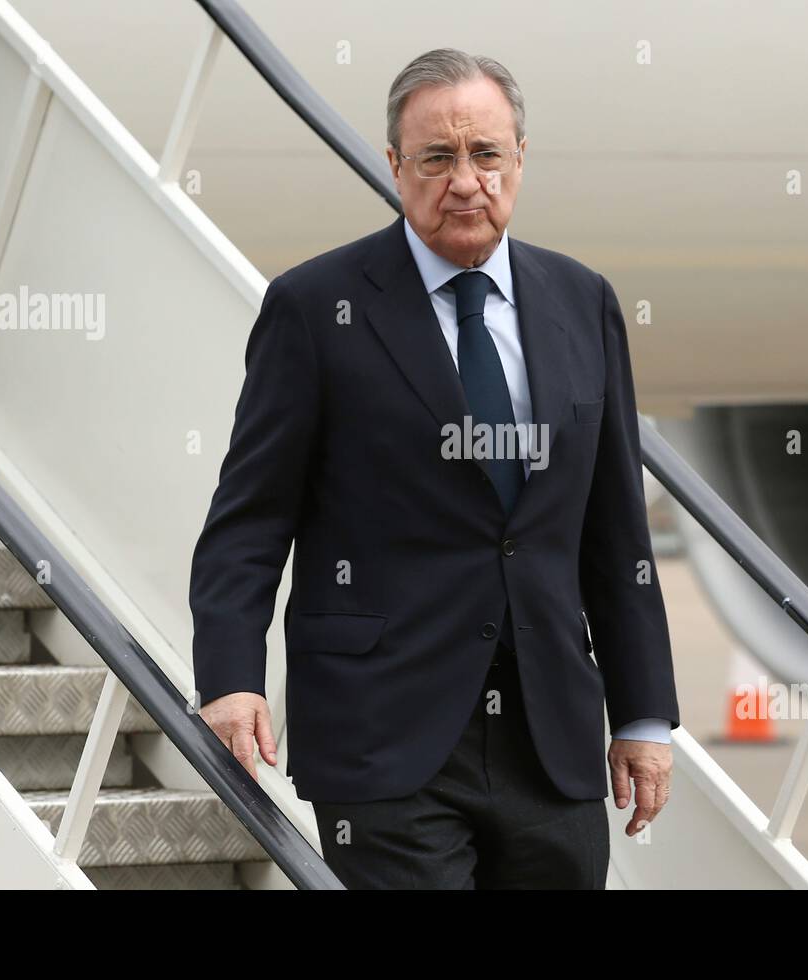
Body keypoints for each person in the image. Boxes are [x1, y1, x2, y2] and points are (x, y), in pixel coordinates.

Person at [188, 47, 680, 889]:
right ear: (395, 167)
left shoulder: (582, 301)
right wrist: (231, 679)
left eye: (486, 154)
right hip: (385, 735)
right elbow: (252, 517)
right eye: (438, 158)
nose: (465, 180)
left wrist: (643, 713)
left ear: (519, 159)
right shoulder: (316, 309)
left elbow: (613, 529)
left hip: (549, 738)